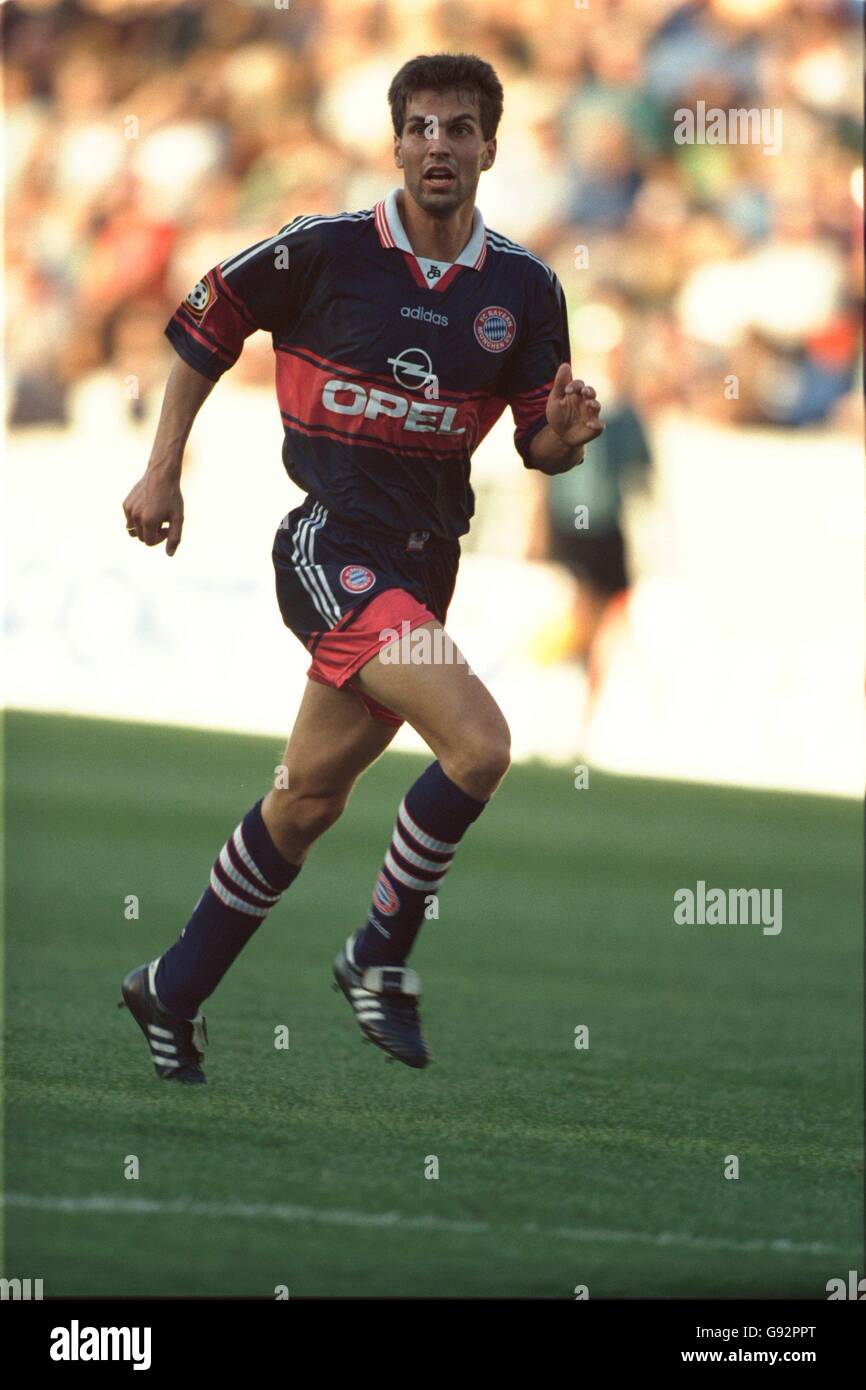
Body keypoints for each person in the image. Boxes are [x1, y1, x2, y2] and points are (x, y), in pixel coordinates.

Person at [119, 52, 603, 1081]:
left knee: (305, 800)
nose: (438, 145)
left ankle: (170, 988)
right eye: (421, 127)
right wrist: (162, 470)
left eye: (459, 129)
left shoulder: (521, 288)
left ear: (487, 148)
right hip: (328, 544)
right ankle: (376, 957)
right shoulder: (323, 252)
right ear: (396, 144)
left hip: (425, 564)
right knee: (479, 746)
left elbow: (535, 443)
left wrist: (562, 438)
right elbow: (207, 322)